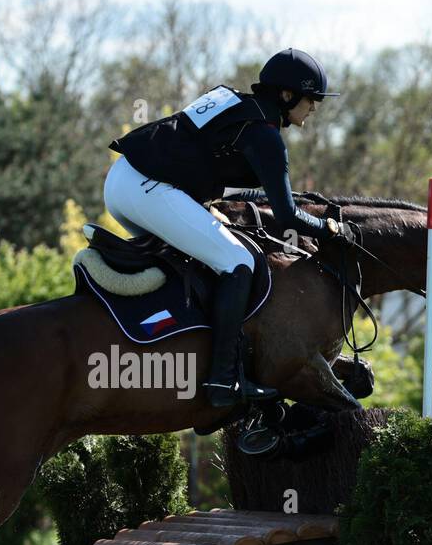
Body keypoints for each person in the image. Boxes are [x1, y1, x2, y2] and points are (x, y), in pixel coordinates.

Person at [105, 48, 356, 408]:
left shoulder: (233, 103)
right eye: (311, 98)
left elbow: (219, 179)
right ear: (287, 96)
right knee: (238, 261)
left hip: (124, 180)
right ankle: (223, 380)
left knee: (204, 259)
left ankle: (172, 340)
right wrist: (328, 228)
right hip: (149, 188)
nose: (314, 107)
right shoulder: (265, 137)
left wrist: (288, 195)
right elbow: (286, 218)